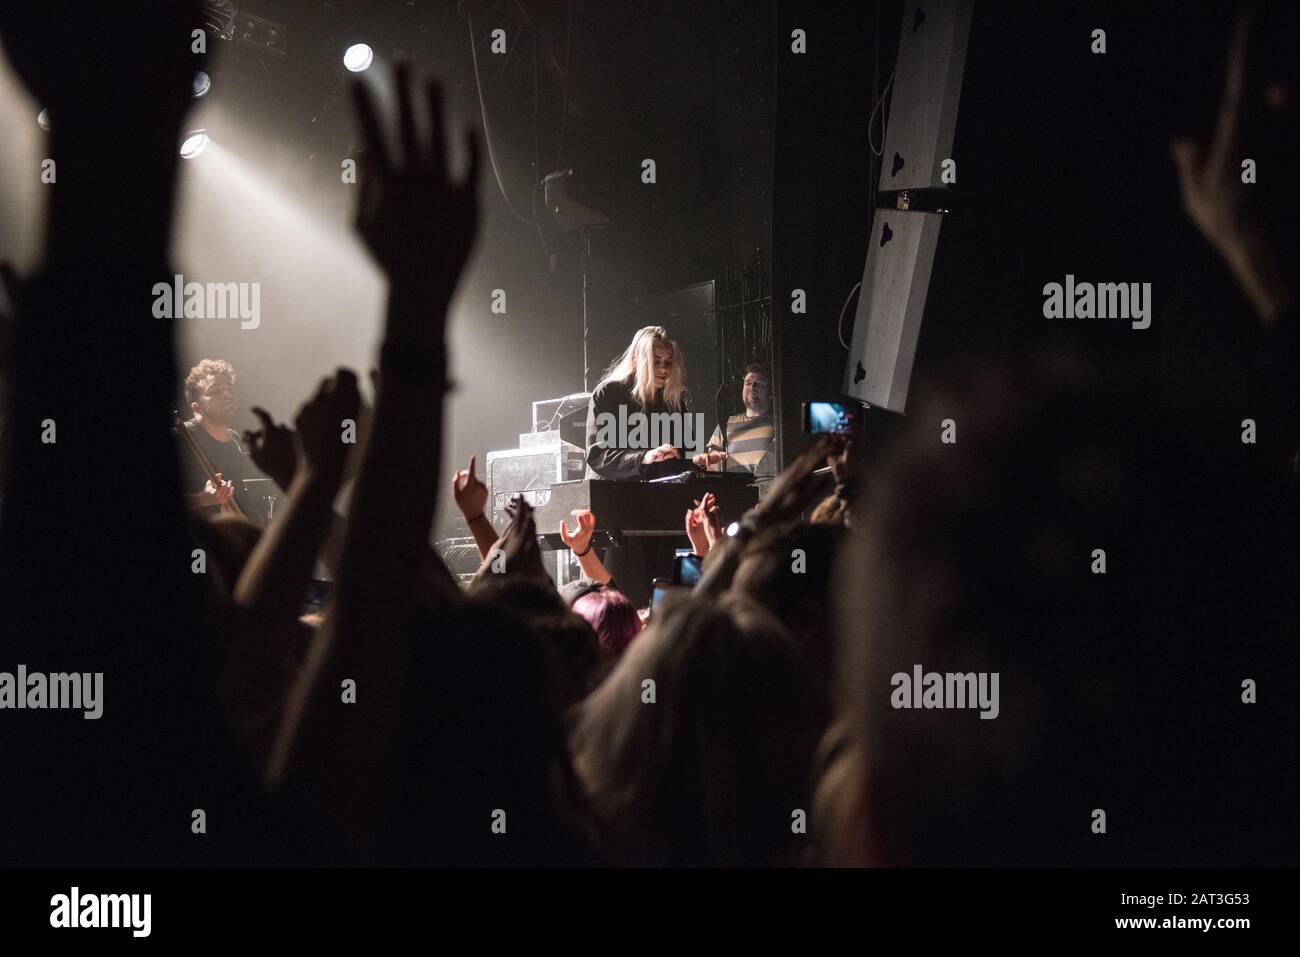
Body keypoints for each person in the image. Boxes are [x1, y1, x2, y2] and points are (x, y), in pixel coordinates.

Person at [584, 325, 695, 480]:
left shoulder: (672, 400)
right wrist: (644, 457)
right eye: (656, 362)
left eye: (668, 362)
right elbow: (599, 456)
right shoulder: (609, 393)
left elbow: (684, 453)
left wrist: (698, 462)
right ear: (636, 360)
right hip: (610, 494)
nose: (664, 369)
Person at [179, 358, 272, 521]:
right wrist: (203, 499)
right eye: (215, 391)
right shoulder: (182, 437)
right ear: (196, 407)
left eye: (229, 389)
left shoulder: (234, 438)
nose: (227, 394)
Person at [698, 362, 777, 479]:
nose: (752, 387)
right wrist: (705, 460)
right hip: (736, 494)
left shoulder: (778, 423)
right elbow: (712, 469)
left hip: (768, 494)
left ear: (770, 391)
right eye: (748, 383)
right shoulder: (725, 424)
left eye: (759, 384)